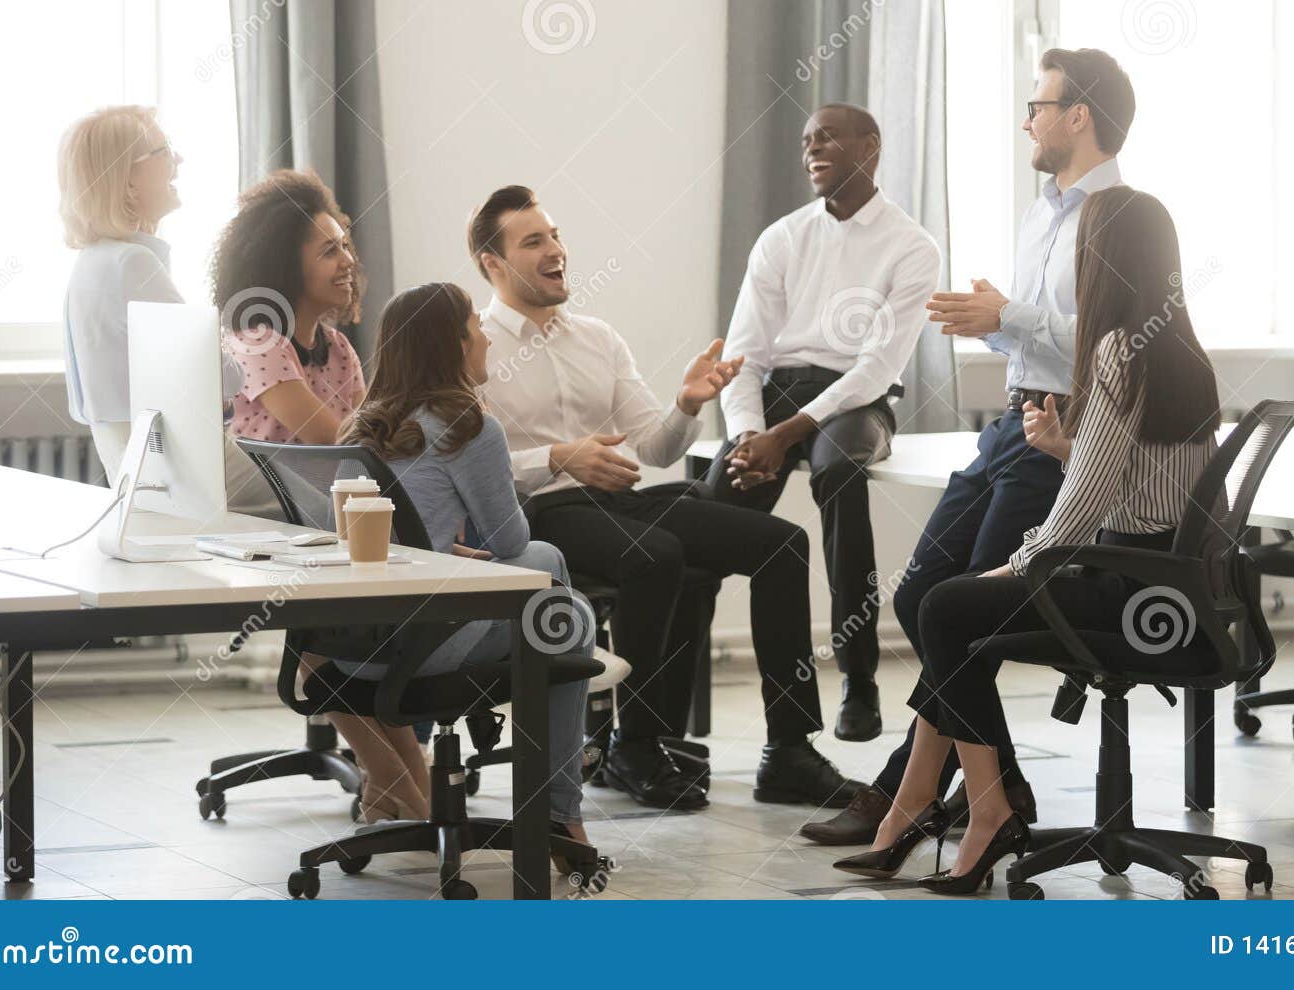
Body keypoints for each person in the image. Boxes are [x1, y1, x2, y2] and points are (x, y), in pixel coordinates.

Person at [839, 185, 1220, 894]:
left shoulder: (1115, 352)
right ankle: (922, 801)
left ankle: (984, 812)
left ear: (1106, 260)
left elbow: (1083, 512)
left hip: (1131, 592)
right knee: (950, 608)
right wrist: (1064, 451)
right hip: (1175, 591)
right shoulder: (1182, 352)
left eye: (1085, 248)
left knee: (947, 607)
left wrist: (1014, 566)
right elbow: (1144, 485)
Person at [802, 48, 1136, 848]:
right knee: (922, 598)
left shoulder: (1119, 216)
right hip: (1010, 423)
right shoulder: (1042, 210)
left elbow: (1112, 339)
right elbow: (1035, 337)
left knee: (967, 612)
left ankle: (906, 792)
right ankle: (1002, 783)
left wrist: (1009, 317)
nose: (1028, 120)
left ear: (1078, 115)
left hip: (1060, 433)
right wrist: (994, 324)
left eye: (1039, 105)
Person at [470, 185, 865, 812]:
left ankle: (790, 749)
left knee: (780, 543)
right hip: (539, 514)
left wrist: (687, 404)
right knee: (656, 555)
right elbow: (472, 467)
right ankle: (637, 743)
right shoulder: (477, 345)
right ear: (493, 262)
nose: (556, 251)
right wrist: (557, 457)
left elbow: (654, 448)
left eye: (556, 235)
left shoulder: (596, 337)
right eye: (534, 241)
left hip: (617, 502)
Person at [325, 282, 597, 845]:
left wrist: (450, 551)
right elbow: (511, 539)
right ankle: (560, 813)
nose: (486, 338)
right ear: (452, 341)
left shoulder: (359, 427)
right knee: (562, 599)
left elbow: (384, 545)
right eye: (475, 323)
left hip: (351, 650)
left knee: (559, 610)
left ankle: (558, 811)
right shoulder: (467, 424)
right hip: (419, 646)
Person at [706, 104, 941, 742]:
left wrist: (788, 436)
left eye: (829, 137)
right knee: (708, 515)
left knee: (839, 476)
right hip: (777, 396)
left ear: (870, 146)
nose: (813, 148)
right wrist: (749, 435)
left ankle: (859, 683)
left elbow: (876, 366)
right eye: (808, 139)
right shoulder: (782, 237)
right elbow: (744, 355)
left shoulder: (912, 246)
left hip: (856, 402)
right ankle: (663, 705)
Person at [57, 105, 276, 516]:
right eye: (164, 150)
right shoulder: (132, 264)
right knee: (324, 515)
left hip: (148, 483)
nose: (178, 160)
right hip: (196, 474)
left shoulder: (89, 265)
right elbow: (226, 377)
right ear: (128, 182)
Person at [211, 170, 367, 444]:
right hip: (268, 489)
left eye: (344, 246)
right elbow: (334, 441)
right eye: (330, 251)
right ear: (286, 265)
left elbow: (368, 441)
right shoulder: (256, 344)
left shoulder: (340, 348)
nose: (349, 260)